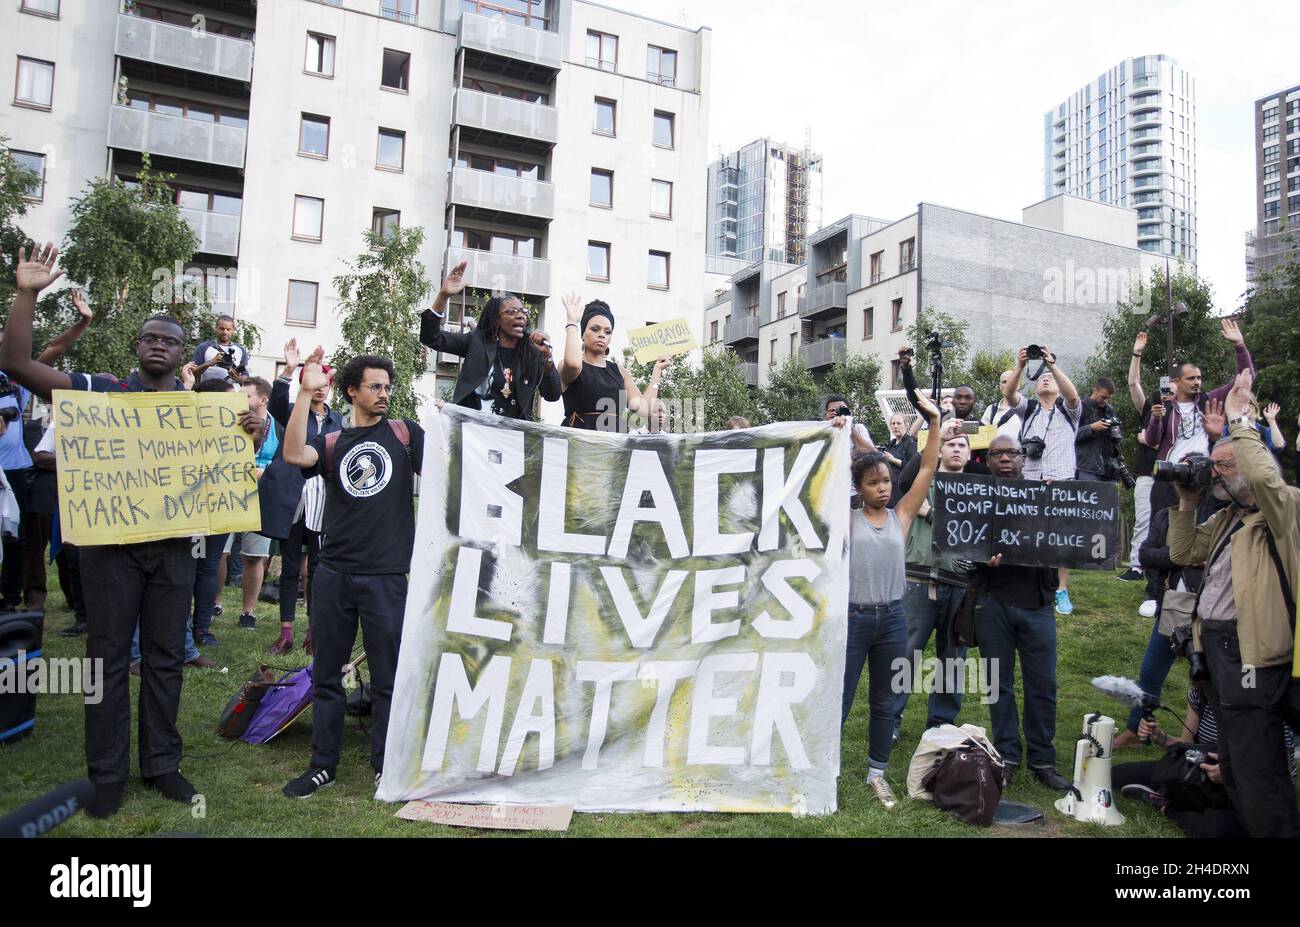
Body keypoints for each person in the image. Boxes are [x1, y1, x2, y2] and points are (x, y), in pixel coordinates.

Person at [0, 242, 259, 818]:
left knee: (165, 658)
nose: (159, 345)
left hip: (174, 550)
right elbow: (16, 364)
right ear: (137, 346)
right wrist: (26, 295)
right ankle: (108, 772)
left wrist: (253, 427)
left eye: (170, 340)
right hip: (109, 552)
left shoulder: (201, 410)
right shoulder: (101, 393)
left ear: (182, 352)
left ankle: (162, 764)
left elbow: (242, 448)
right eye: (150, 338)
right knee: (107, 659)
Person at [281, 348, 424, 798]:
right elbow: (292, 454)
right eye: (374, 387)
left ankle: (386, 767)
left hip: (386, 577)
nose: (384, 394)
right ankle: (322, 765)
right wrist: (304, 393)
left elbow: (453, 466)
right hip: (334, 574)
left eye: (387, 387)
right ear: (351, 391)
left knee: (388, 678)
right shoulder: (332, 442)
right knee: (327, 675)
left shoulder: (405, 434)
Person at [1168, 371, 1300, 837]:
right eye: (1214, 465)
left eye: (1225, 465)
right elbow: (1183, 553)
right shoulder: (1229, 518)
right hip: (1217, 649)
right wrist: (1187, 503)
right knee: (1236, 757)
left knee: (1256, 762)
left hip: (1252, 654)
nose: (1215, 472)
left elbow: (1264, 476)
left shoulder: (1283, 510)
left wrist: (1241, 421)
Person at [840, 391, 943, 810]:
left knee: (884, 699)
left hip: (893, 619)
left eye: (885, 481)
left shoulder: (901, 517)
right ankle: (824, 769)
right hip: (853, 618)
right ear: (858, 487)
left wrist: (934, 423)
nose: (883, 488)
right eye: (873, 483)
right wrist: (839, 433)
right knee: (841, 697)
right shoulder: (845, 520)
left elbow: (928, 467)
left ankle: (877, 773)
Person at [972, 434, 1073, 792]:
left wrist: (1056, 501)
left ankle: (1043, 759)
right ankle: (1007, 755)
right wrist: (981, 557)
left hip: (1037, 605)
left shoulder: (1045, 495)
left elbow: (1069, 538)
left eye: (1012, 453)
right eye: (997, 453)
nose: (1005, 459)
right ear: (987, 460)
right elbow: (959, 545)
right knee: (997, 684)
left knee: (1042, 684)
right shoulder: (974, 498)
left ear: (1023, 458)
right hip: (993, 603)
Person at [1113, 472, 1224, 748]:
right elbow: (1146, 555)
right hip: (1173, 605)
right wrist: (1185, 557)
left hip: (1210, 610)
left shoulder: (1220, 515)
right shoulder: (1166, 515)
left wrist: (1191, 556)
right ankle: (1137, 731)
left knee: (1210, 678)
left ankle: (1208, 739)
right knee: (1150, 672)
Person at [0, 287, 93, 610]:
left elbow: (53, 350)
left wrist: (82, 323)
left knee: (18, 539)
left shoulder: (14, 382)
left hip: (14, 471)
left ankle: (13, 600)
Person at [1114, 688, 1294, 838]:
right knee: (1116, 775)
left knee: (1218, 830)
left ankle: (1165, 805)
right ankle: (1176, 797)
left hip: (1247, 790)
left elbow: (1280, 774)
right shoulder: (1201, 695)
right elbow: (1187, 747)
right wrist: (1161, 737)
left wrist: (1232, 773)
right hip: (1199, 778)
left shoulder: (1270, 705)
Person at [263, 339, 343, 655]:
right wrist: (289, 370)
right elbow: (275, 405)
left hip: (324, 504)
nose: (320, 389)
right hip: (293, 501)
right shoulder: (293, 412)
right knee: (291, 567)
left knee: (319, 568)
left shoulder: (338, 421)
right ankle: (285, 631)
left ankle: (313, 630)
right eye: (315, 384)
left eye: (325, 384)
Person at [893, 420, 974, 736]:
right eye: (950, 444)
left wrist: (929, 514)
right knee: (905, 654)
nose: (956, 448)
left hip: (959, 583)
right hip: (918, 578)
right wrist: (936, 431)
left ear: (969, 454)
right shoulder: (922, 483)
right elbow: (903, 478)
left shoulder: (977, 491)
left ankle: (941, 724)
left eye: (962, 445)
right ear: (939, 451)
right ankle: (890, 720)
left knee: (953, 659)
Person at [420, 262, 560, 421]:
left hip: (513, 433)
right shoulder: (477, 341)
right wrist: (443, 296)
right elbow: (431, 337)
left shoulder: (532, 352)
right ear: (496, 319)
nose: (520, 316)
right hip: (473, 430)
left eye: (523, 312)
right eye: (512, 312)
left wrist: (548, 358)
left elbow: (552, 395)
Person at [1144, 318, 1254, 515]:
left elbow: (1245, 379)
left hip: (1201, 479)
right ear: (1177, 381)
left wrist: (1239, 346)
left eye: (1199, 378)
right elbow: (1152, 441)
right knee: (1163, 529)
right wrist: (1155, 419)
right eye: (1191, 378)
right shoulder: (1166, 407)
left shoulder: (1208, 400)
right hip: (1169, 479)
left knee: (1201, 529)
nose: (1197, 382)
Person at [1004, 344, 1081, 615]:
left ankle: (1061, 589)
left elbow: (1073, 396)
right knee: (1030, 533)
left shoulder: (1069, 411)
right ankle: (1031, 584)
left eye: (1051, 379)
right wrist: (1020, 365)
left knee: (1061, 538)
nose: (1046, 380)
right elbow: (1009, 394)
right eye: (1042, 378)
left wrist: (1051, 365)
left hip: (1061, 480)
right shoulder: (1029, 410)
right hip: (1032, 480)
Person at [559, 295, 667, 432]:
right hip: (579, 440)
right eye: (595, 329)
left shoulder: (619, 371)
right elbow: (572, 364)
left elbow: (644, 409)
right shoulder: (571, 365)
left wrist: (657, 369)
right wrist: (572, 323)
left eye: (607, 331)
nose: (602, 335)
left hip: (613, 442)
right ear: (583, 334)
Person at [225, 377, 278, 632]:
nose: (240, 399)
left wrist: (264, 473)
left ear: (263, 399)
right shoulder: (228, 419)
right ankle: (213, 605)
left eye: (246, 395)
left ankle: (248, 612)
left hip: (260, 497)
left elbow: (283, 461)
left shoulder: (278, 427)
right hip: (227, 493)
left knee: (255, 556)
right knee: (219, 552)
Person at [1121, 330, 1156, 585]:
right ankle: (1136, 566)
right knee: (1143, 519)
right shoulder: (1149, 411)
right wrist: (1137, 353)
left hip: (1174, 475)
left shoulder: (1184, 415)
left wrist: (1149, 439)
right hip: (1148, 473)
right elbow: (1134, 384)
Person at [1074, 377, 1120, 482]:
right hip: (1086, 467)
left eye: (1108, 398)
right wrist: (1091, 428)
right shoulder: (1080, 407)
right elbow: (1069, 435)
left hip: (1108, 467)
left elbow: (1116, 439)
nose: (1105, 401)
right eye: (1103, 397)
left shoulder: (1109, 409)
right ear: (1095, 390)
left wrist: (1116, 430)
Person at [191, 314, 249, 384]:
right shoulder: (204, 347)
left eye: (228, 329)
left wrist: (238, 379)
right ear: (216, 328)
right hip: (208, 390)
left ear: (233, 330)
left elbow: (245, 375)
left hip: (232, 390)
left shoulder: (240, 350)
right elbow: (191, 373)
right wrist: (209, 363)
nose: (225, 332)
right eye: (222, 329)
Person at [980, 369, 1023, 440]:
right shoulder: (991, 409)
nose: (1008, 384)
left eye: (1012, 381)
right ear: (1000, 386)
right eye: (1004, 382)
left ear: (1018, 385)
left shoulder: (1029, 409)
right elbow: (982, 438)